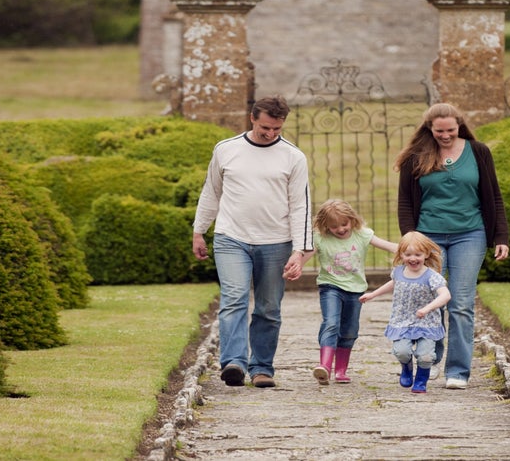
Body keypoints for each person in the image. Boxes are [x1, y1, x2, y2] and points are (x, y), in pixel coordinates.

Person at [192, 96, 313, 389]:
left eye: (276, 128)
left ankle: (261, 368)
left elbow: (301, 206)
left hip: (276, 242)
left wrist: (300, 250)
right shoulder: (226, 149)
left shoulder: (293, 157)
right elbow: (212, 192)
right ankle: (233, 362)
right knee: (234, 299)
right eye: (265, 127)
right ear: (252, 119)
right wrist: (199, 230)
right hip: (231, 238)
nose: (270, 133)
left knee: (268, 308)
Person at [395, 102, 510, 390]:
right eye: (439, 131)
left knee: (460, 303)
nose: (445, 136)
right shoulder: (416, 156)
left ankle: (458, 371)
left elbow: (494, 196)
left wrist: (501, 236)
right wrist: (410, 238)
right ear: (429, 129)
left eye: (450, 130)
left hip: (469, 234)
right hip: (428, 238)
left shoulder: (478, 152)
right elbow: (405, 201)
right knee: (430, 301)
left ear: (459, 126)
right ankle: (429, 359)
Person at [284, 199, 398, 385]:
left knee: (349, 331)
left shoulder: (362, 235)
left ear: (352, 220)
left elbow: (389, 246)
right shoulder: (320, 238)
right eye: (334, 226)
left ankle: (341, 370)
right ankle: (325, 366)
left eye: (344, 224)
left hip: (355, 290)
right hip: (330, 286)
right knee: (331, 323)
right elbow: (304, 257)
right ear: (325, 226)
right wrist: (296, 267)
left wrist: (409, 250)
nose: (341, 229)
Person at [360, 231, 451, 394]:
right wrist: (373, 294)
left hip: (426, 322)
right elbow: (393, 283)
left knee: (425, 356)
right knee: (402, 352)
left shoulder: (432, 276)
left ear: (426, 254)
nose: (413, 258)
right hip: (402, 320)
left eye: (418, 254)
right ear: (401, 254)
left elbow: (446, 295)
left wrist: (427, 308)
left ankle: (421, 380)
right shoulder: (398, 272)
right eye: (408, 254)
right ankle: (406, 368)